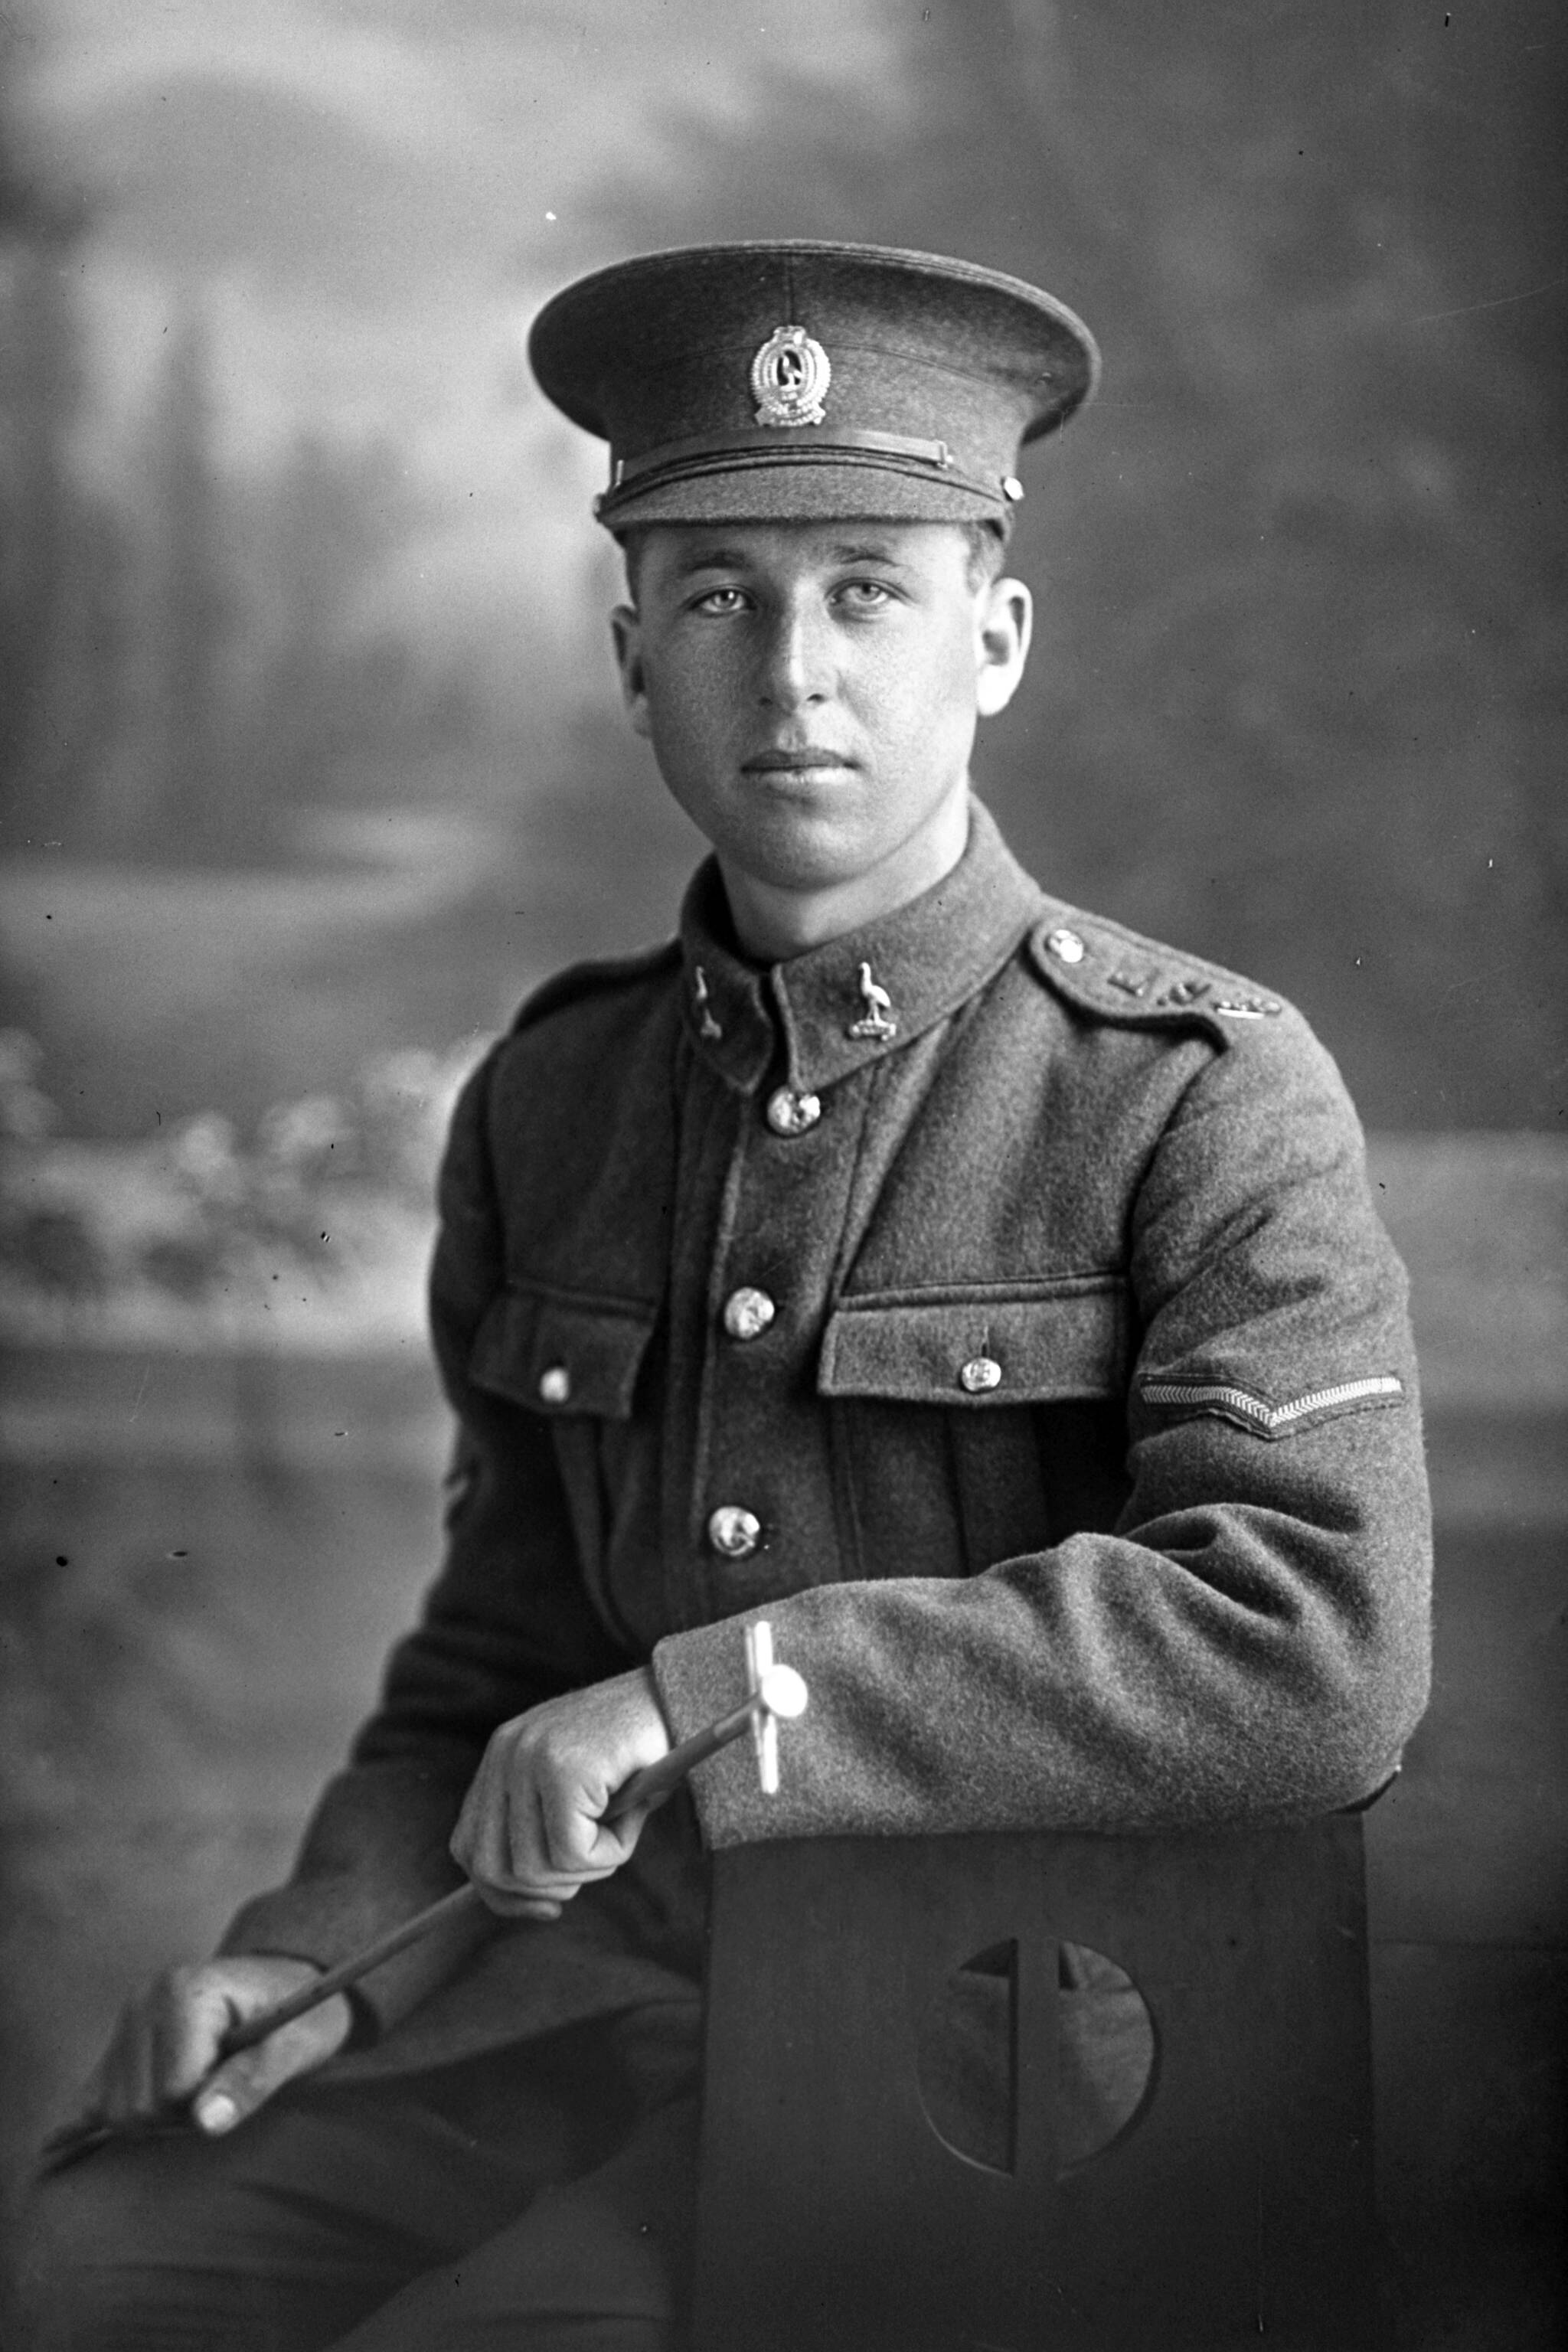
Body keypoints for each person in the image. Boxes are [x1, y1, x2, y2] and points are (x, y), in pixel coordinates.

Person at [18, 239, 1432, 2350]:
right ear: (631, 656)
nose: (792, 671)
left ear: (999, 639)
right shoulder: (560, 1096)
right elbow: (497, 1650)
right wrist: (309, 1956)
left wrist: (715, 1698)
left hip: (969, 2049)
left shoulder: (1191, 1092)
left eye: (869, 586)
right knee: (84, 2271)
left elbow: (1315, 1646)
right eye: (718, 596)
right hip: (566, 2010)